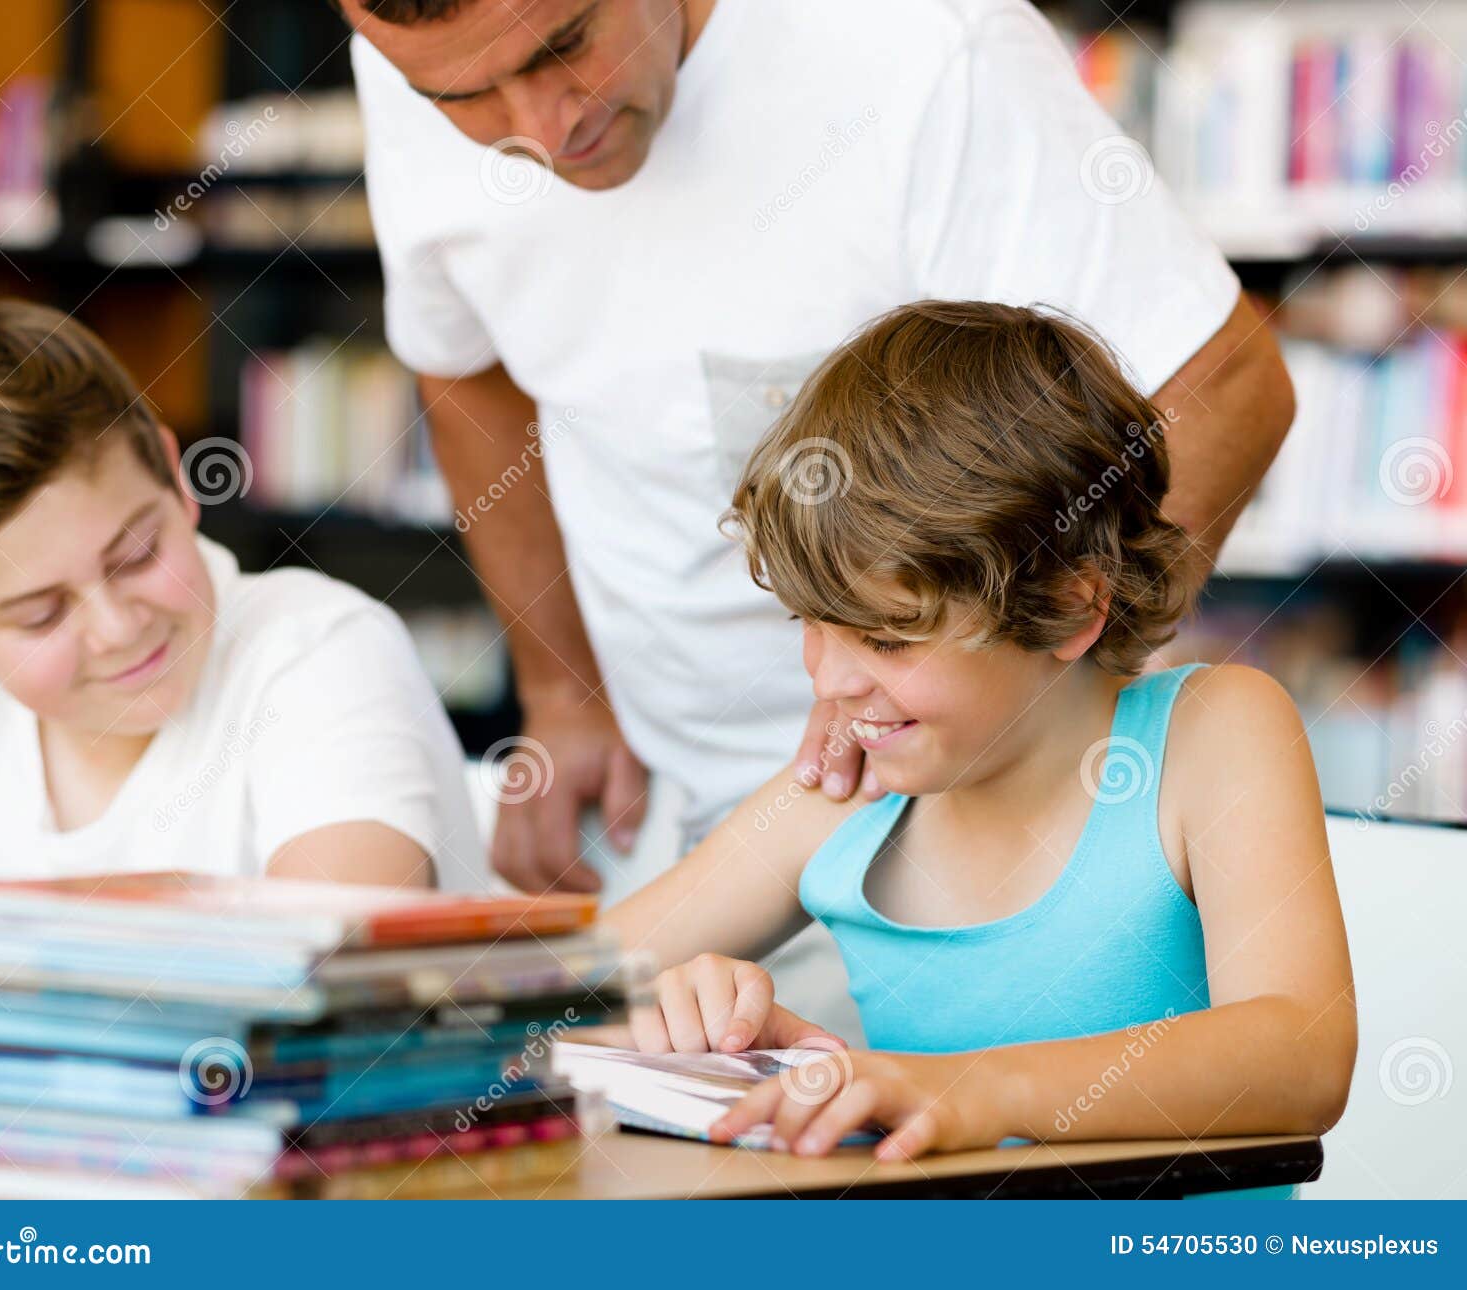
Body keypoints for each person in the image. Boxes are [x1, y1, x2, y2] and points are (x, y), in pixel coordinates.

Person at [341, 0, 1296, 1040]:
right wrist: (560, 692)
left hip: (971, 805)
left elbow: (1225, 386)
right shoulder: (419, 54)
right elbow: (463, 364)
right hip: (701, 820)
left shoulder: (923, 46)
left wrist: (1014, 715)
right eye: (462, 99)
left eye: (565, 45)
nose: (538, 124)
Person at [601, 301, 1355, 1162]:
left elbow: (1305, 1054)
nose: (829, 681)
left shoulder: (1212, 737)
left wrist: (972, 1088)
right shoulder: (847, 791)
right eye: (811, 623)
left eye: (888, 636)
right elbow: (509, 1009)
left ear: (1072, 604)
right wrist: (677, 1016)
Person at [0, 301, 484, 887]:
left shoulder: (318, 653)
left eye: (137, 555)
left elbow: (337, 958)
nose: (117, 628)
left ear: (174, 473)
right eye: (41, 615)